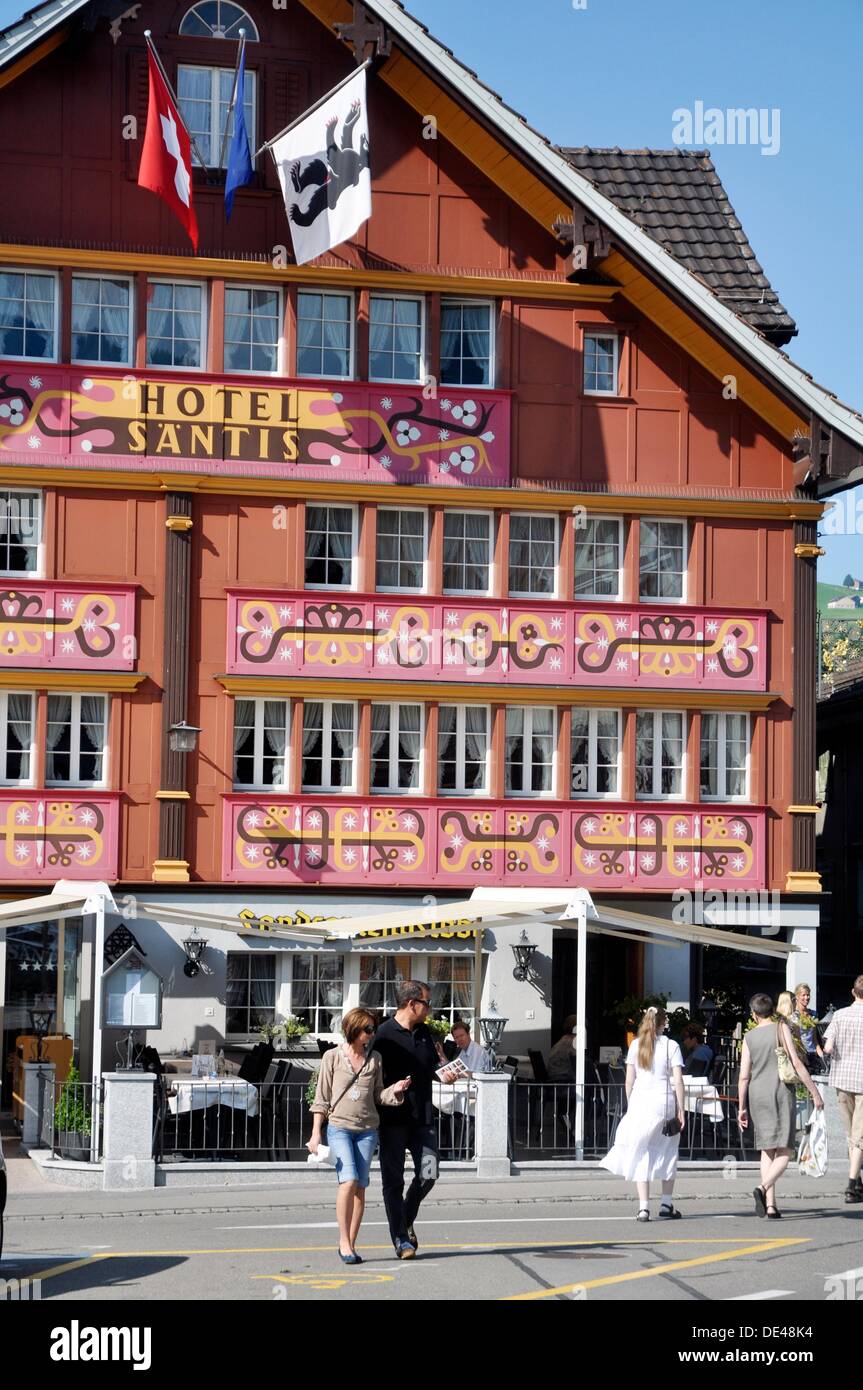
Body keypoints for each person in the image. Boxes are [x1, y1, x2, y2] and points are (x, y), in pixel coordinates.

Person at [307, 1008, 411, 1264]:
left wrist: (395, 1090)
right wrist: (315, 1134)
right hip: (340, 1128)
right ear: (353, 1030)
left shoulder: (374, 1058)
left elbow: (378, 1095)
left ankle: (350, 1244)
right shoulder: (332, 1057)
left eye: (372, 1030)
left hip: (367, 1131)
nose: (371, 1034)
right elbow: (321, 1099)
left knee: (360, 1187)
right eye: (367, 1030)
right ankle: (343, 1240)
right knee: (349, 1179)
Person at [374, 980, 446, 1259]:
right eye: (426, 1003)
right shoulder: (383, 1035)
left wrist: (445, 1073)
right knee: (393, 1182)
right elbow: (371, 1077)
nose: (429, 1009)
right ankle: (401, 1239)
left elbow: (432, 1068)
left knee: (429, 1172)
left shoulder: (425, 1032)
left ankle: (404, 1217)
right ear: (411, 1004)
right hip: (391, 1120)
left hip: (422, 1119)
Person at [738, 992, 823, 1218]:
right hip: (781, 1092)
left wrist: (741, 1107)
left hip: (757, 1095)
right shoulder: (780, 1028)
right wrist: (815, 1092)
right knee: (785, 1149)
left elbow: (744, 1076)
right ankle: (762, 1189)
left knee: (767, 1149)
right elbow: (796, 1062)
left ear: (754, 1014)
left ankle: (771, 1205)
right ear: (771, 1010)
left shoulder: (749, 1037)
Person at [600, 1006, 687, 1221]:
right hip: (663, 1102)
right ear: (663, 1023)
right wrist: (681, 1109)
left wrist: (632, 1104)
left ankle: (643, 1207)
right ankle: (666, 1203)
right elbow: (678, 1080)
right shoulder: (671, 1046)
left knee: (642, 1152)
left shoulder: (636, 1045)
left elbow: (629, 1080)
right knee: (668, 1150)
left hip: (640, 1102)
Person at [823, 974, 863, 1204]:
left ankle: (857, 1181)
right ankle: (851, 1186)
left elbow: (828, 1048)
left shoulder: (839, 1015)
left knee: (851, 1135)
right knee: (859, 1137)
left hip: (842, 1079)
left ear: (852, 991)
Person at [791, 983, 826, 1074]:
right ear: (797, 997)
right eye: (803, 995)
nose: (806, 998)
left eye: (808, 995)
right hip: (801, 1056)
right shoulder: (793, 1016)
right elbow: (795, 1040)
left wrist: (822, 1057)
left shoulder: (813, 1014)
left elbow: (814, 1039)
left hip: (813, 1053)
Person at [547, 1014, 579, 1081]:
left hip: (554, 1078)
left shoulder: (563, 1040)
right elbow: (578, 1062)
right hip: (564, 1081)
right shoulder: (572, 1042)